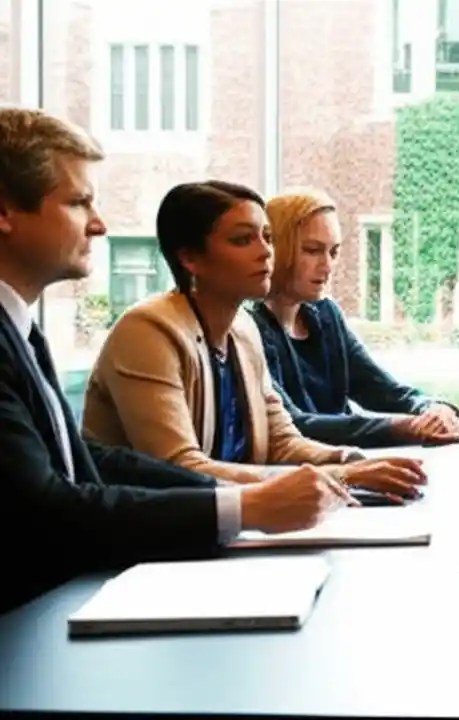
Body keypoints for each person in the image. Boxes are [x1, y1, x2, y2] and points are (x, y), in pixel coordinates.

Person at [0, 108, 356, 613]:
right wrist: (245, 504)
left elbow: (86, 461)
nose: (100, 224)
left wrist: (311, 478)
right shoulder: (147, 327)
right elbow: (47, 507)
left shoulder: (21, 329)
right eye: (80, 203)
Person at [82, 180, 427, 498]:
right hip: (145, 548)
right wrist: (343, 476)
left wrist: (350, 459)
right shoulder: (148, 330)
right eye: (242, 239)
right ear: (189, 258)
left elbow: (282, 441)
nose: (265, 252)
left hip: (224, 529)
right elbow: (181, 469)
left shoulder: (243, 329)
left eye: (267, 237)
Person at [250, 187, 459, 448]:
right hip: (297, 475)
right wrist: (406, 428)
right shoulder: (248, 329)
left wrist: (431, 408)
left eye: (333, 252)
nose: (327, 266)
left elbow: (379, 389)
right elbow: (295, 425)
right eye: (312, 250)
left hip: (344, 467)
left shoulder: (327, 315)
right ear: (277, 249)